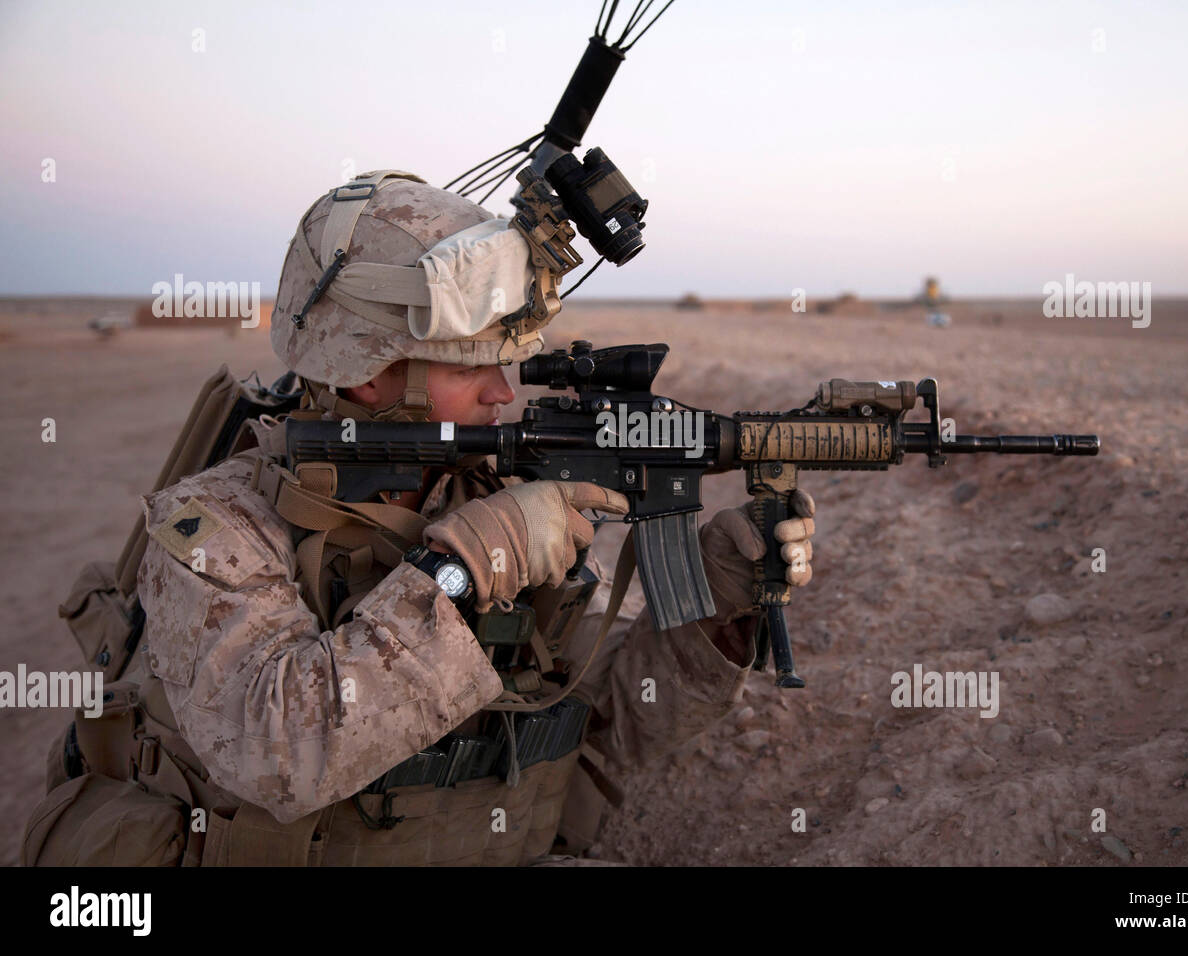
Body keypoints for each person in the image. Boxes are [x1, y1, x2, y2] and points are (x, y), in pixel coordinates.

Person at [47, 170, 817, 866]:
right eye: (466, 367)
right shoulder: (217, 526)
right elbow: (276, 751)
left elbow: (603, 729)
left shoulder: (478, 491)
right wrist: (466, 566)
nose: (502, 394)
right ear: (369, 377)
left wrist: (721, 608)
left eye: (502, 364)